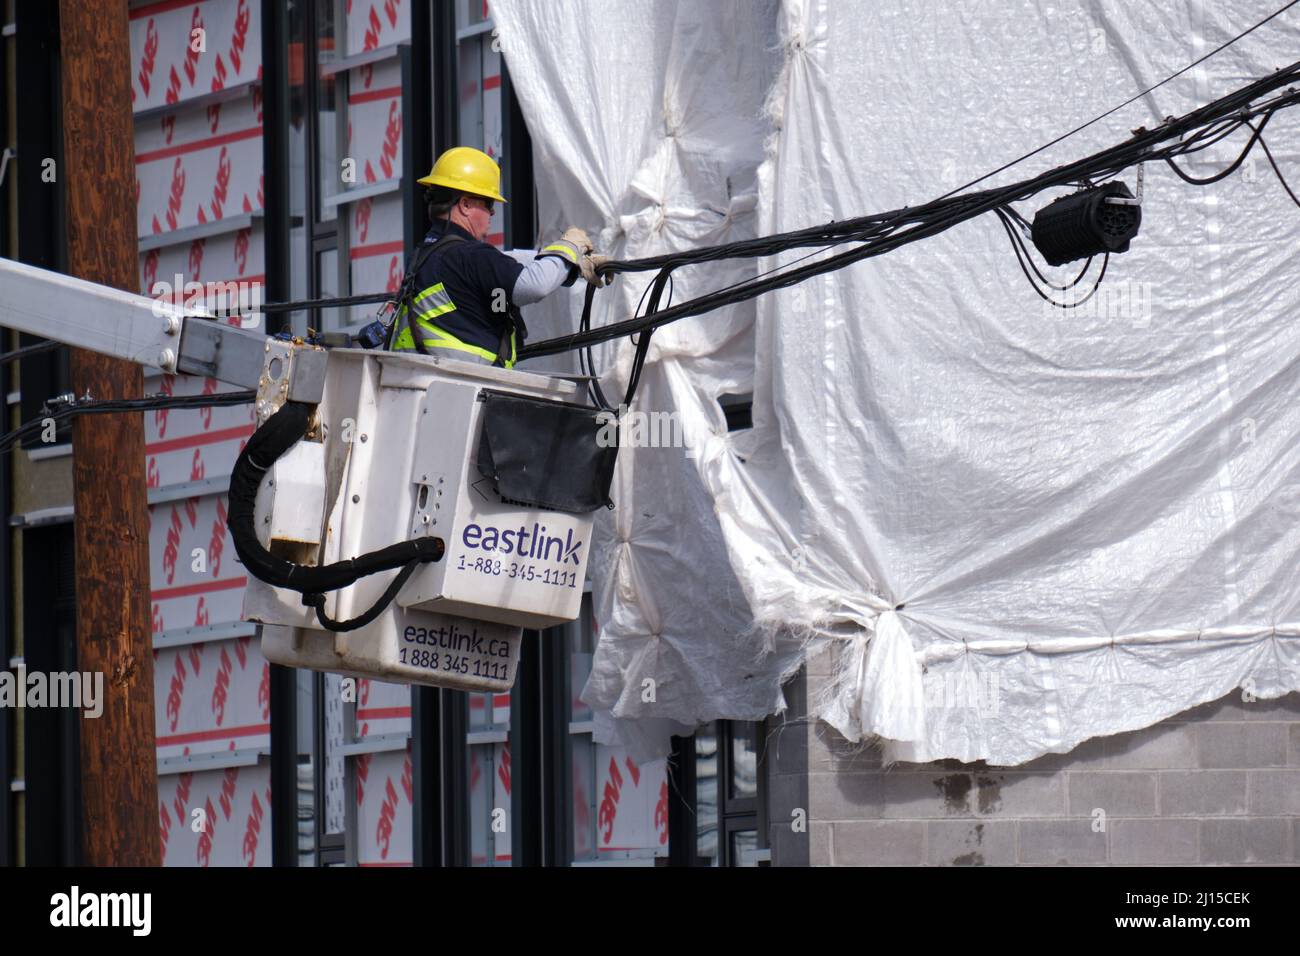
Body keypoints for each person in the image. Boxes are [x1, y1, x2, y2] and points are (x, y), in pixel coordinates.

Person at [385, 146, 606, 367]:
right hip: (469, 386)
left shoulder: (426, 256)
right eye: (488, 203)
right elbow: (531, 285)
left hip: (434, 385)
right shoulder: (469, 256)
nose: (492, 212)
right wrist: (568, 249)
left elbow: (501, 263)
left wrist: (571, 265)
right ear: (465, 204)